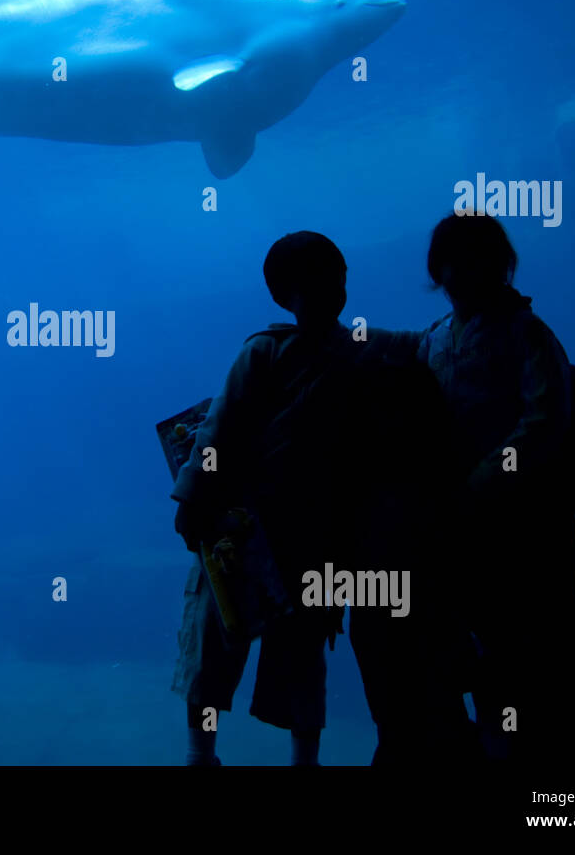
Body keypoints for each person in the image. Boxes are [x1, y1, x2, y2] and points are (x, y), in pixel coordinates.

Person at [170, 231, 433, 765]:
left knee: (303, 656)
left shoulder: (363, 347)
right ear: (281, 294)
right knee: (215, 650)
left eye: (334, 280)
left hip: (312, 539)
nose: (327, 291)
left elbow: (424, 345)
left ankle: (301, 762)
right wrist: (193, 499)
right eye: (312, 282)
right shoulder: (263, 351)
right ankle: (201, 755)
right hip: (239, 533)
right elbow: (218, 432)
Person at [417, 212, 575, 765]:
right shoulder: (433, 341)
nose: (464, 271)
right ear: (439, 269)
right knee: (488, 664)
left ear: (501, 265)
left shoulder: (528, 333)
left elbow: (545, 421)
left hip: (530, 530)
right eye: (455, 260)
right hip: (467, 535)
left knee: (553, 667)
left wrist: (478, 484)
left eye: (478, 258)